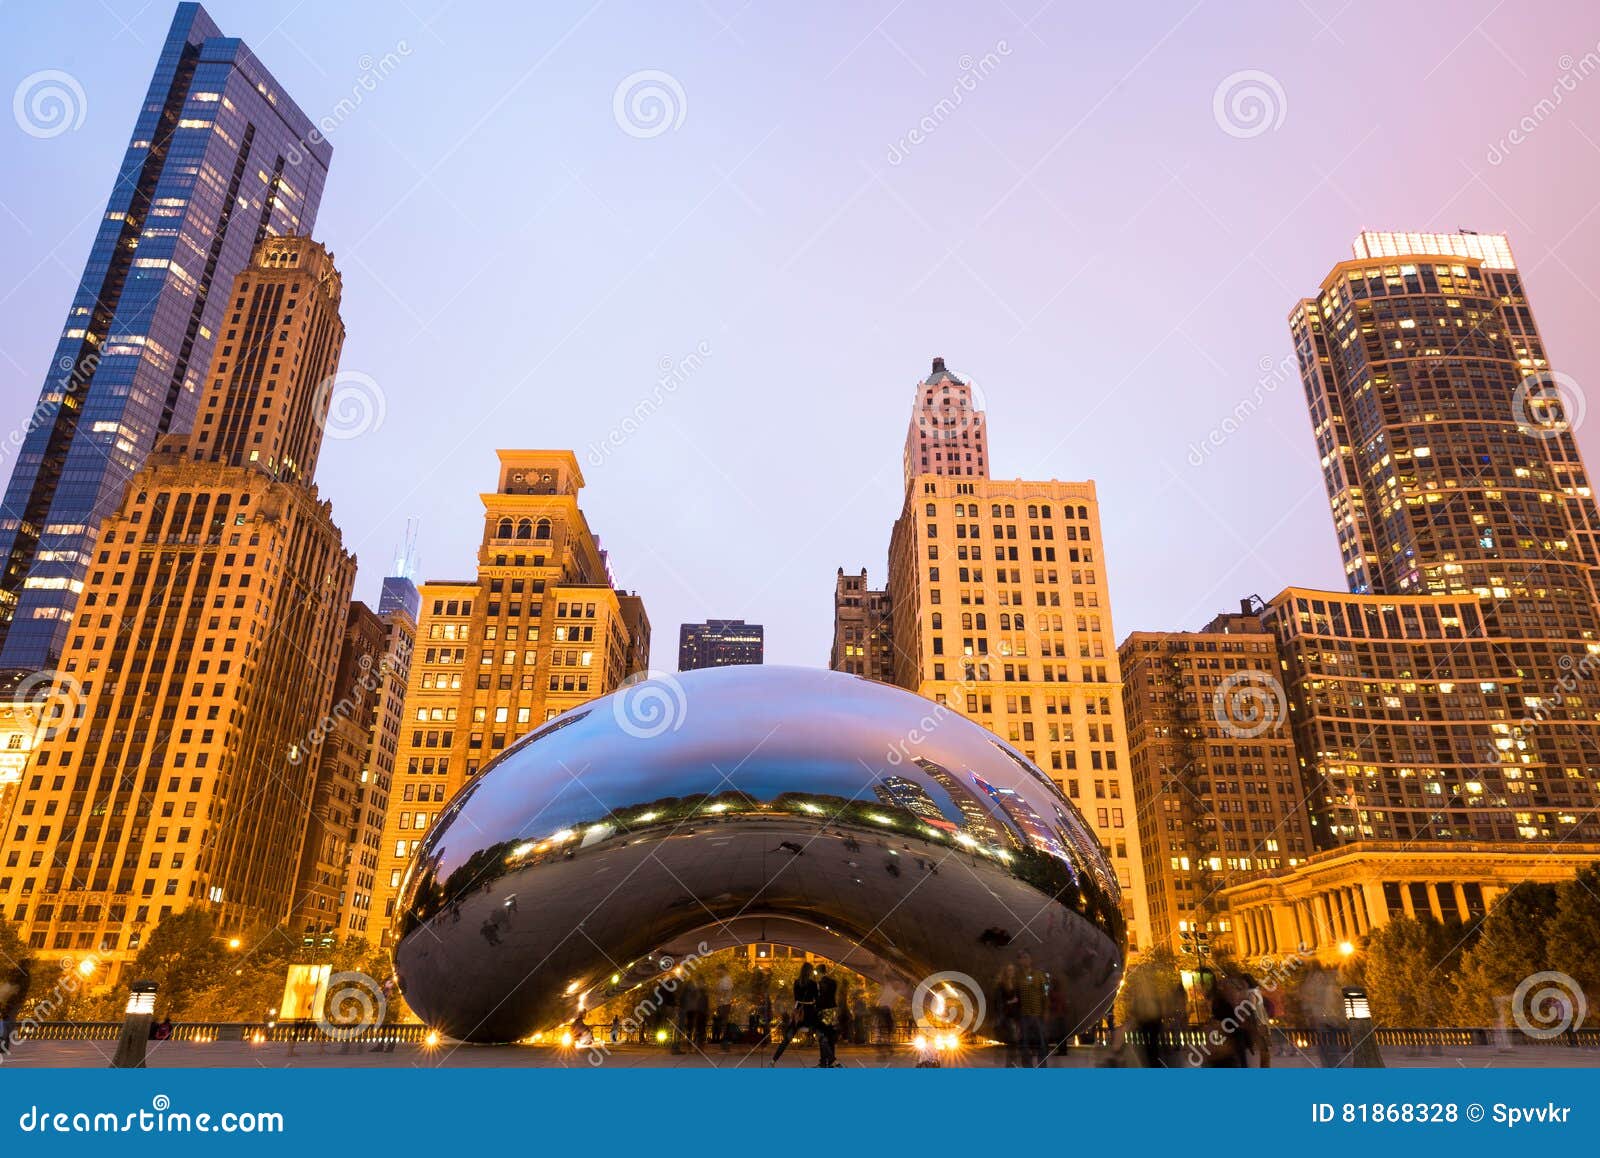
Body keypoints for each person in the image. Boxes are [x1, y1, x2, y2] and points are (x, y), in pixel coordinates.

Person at [771, 962, 819, 1064]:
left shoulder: (796, 982)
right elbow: (816, 999)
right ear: (810, 972)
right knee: (822, 1034)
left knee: (788, 1037)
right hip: (809, 1011)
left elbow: (796, 998)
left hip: (798, 1011)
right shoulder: (813, 984)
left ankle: (774, 1059)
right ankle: (831, 1060)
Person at [1016, 951, 1049, 1067]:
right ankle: (1027, 1067)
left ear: (1031, 960)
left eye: (1026, 957)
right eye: (1022, 958)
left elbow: (1045, 993)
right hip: (1024, 1015)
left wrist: (1045, 1011)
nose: (1024, 960)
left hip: (1037, 1014)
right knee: (1024, 1043)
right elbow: (1016, 995)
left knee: (1041, 1043)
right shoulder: (1017, 976)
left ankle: (1042, 1066)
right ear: (1019, 961)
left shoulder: (1039, 975)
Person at [995, 963, 1024, 1067]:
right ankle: (1010, 1064)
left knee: (1015, 1040)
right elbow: (999, 1002)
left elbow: (1019, 1000)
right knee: (1012, 1039)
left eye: (1012, 970)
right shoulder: (1001, 985)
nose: (1011, 972)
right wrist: (1011, 1001)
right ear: (1006, 972)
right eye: (1009, 970)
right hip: (1007, 1016)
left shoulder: (1015, 984)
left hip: (1016, 1015)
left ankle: (1011, 1063)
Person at [814, 964, 840, 1068]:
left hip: (824, 1011)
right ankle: (830, 1062)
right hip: (832, 1010)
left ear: (819, 972)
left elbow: (820, 999)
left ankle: (823, 1061)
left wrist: (817, 1009)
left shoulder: (820, 984)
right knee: (830, 1037)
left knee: (822, 1037)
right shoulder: (833, 982)